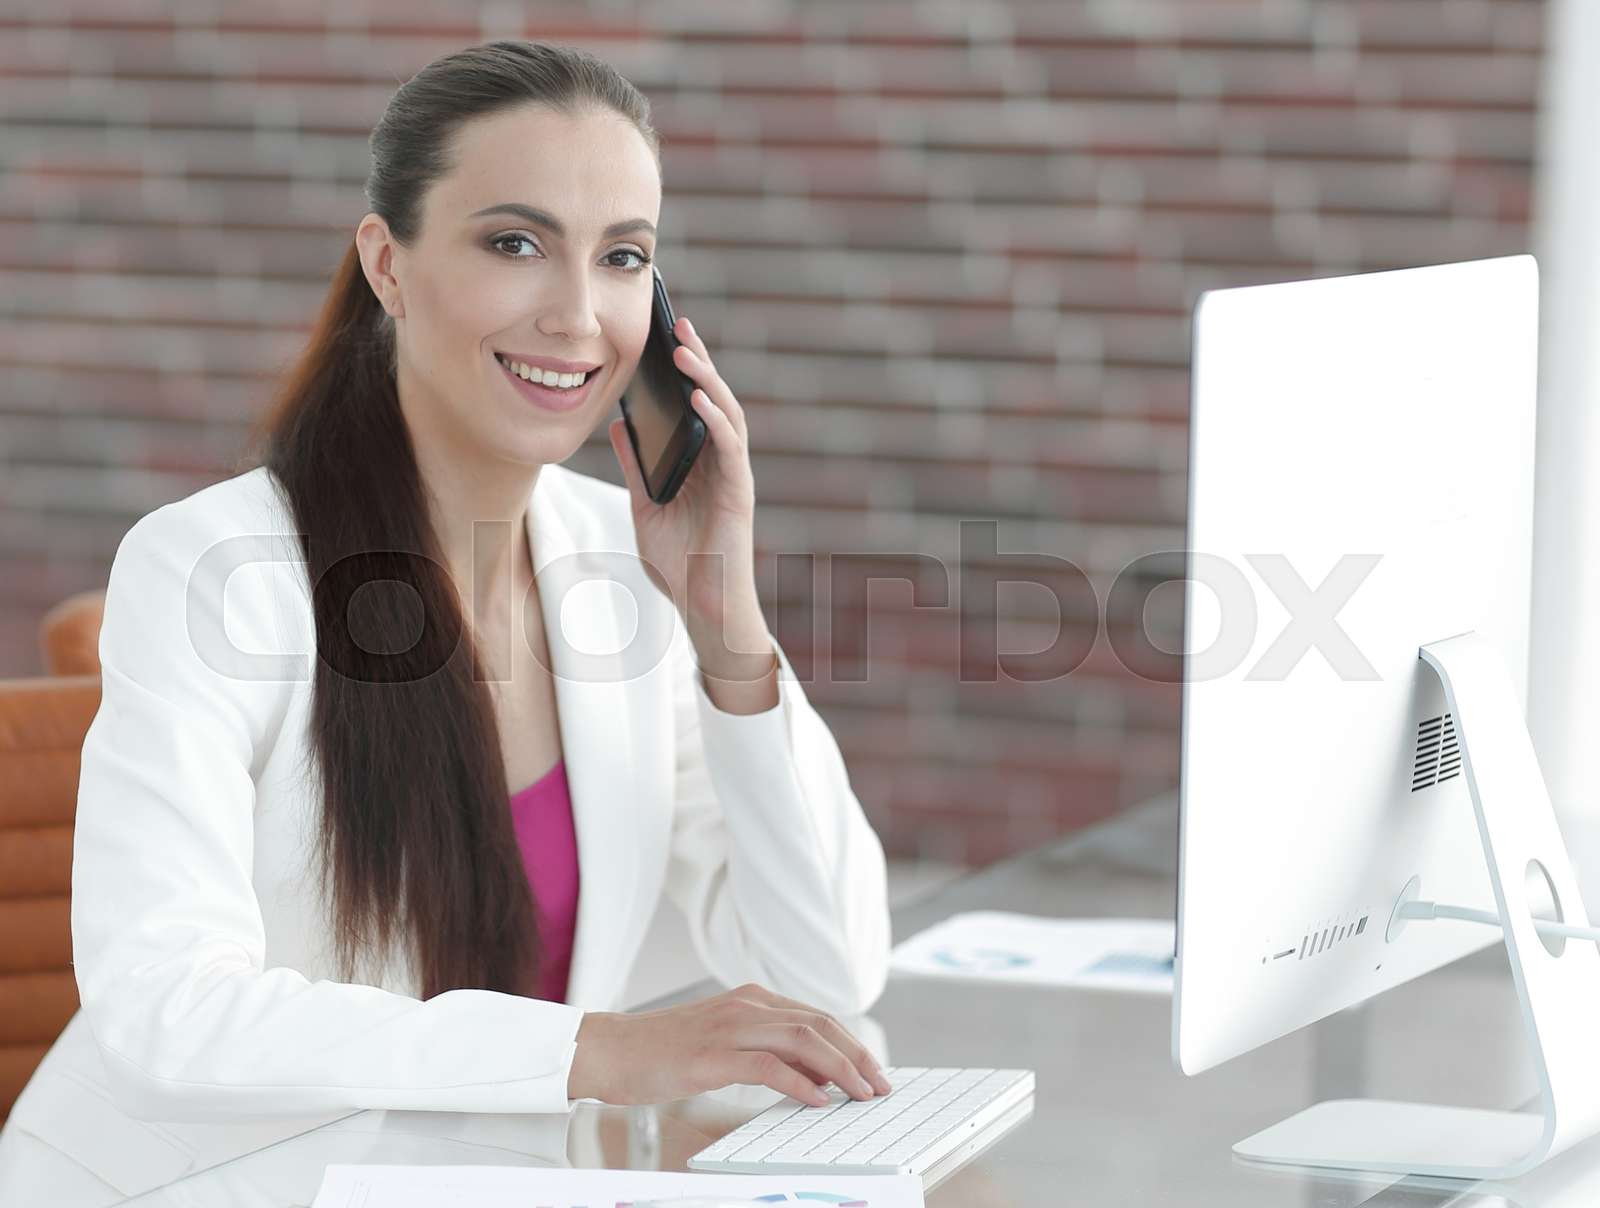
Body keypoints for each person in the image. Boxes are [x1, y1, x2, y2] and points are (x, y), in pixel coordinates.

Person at [0, 39, 892, 1202]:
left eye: (622, 257)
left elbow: (825, 968)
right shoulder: (214, 567)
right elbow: (169, 1010)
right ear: (388, 262)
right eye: (513, 243)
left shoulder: (617, 570)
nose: (578, 315)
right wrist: (597, 1051)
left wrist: (728, 626)